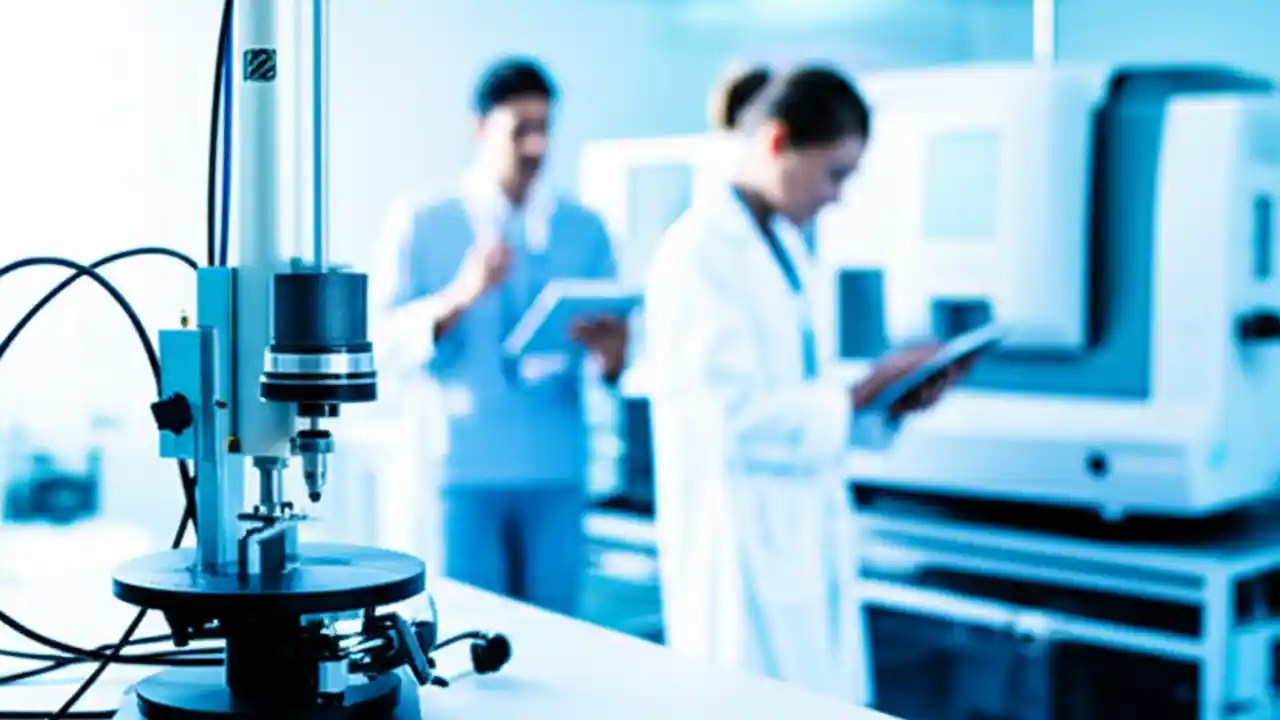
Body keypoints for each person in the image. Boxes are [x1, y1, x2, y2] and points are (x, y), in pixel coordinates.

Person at [643, 66, 963, 702]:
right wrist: (857, 392)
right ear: (776, 142)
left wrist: (887, 400)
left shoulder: (784, 246)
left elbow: (795, 393)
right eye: (834, 173)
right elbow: (731, 423)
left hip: (799, 534)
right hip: (740, 554)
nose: (837, 197)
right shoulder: (697, 253)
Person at [372, 56, 627, 616]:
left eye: (545, 130)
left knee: (559, 633)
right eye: (521, 130)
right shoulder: (424, 221)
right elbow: (384, 343)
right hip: (462, 469)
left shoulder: (585, 229)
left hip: (555, 467)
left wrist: (613, 354)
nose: (536, 146)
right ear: (480, 128)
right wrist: (461, 294)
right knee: (469, 628)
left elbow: (615, 360)